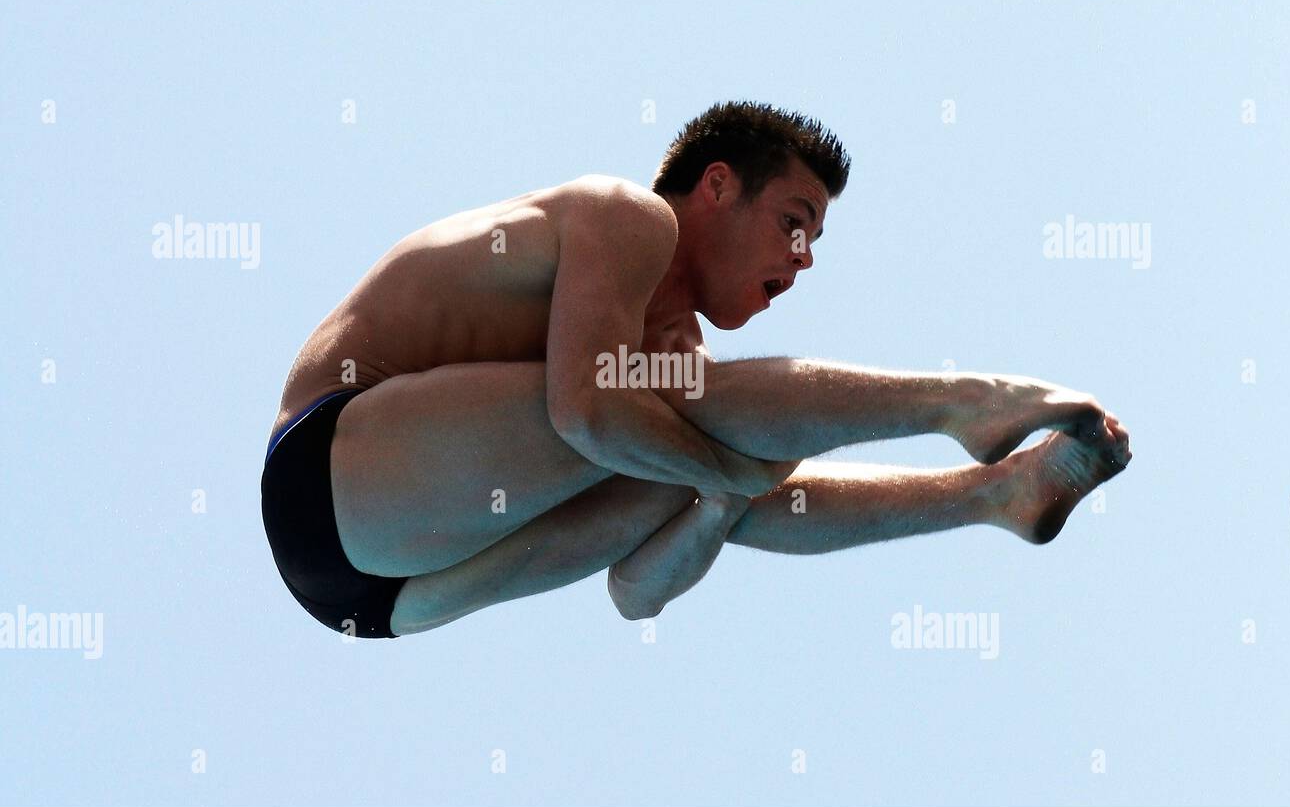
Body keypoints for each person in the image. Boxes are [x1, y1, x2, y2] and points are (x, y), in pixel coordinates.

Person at [260, 100, 1132, 640]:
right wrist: (732, 468)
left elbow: (637, 596)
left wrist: (722, 492)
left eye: (816, 242)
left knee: (693, 454)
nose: (803, 259)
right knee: (679, 421)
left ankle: (993, 496)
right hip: (330, 469)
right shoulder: (624, 216)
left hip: (384, 600)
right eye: (795, 221)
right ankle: (972, 403)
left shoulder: (678, 361)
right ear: (716, 185)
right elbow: (586, 413)